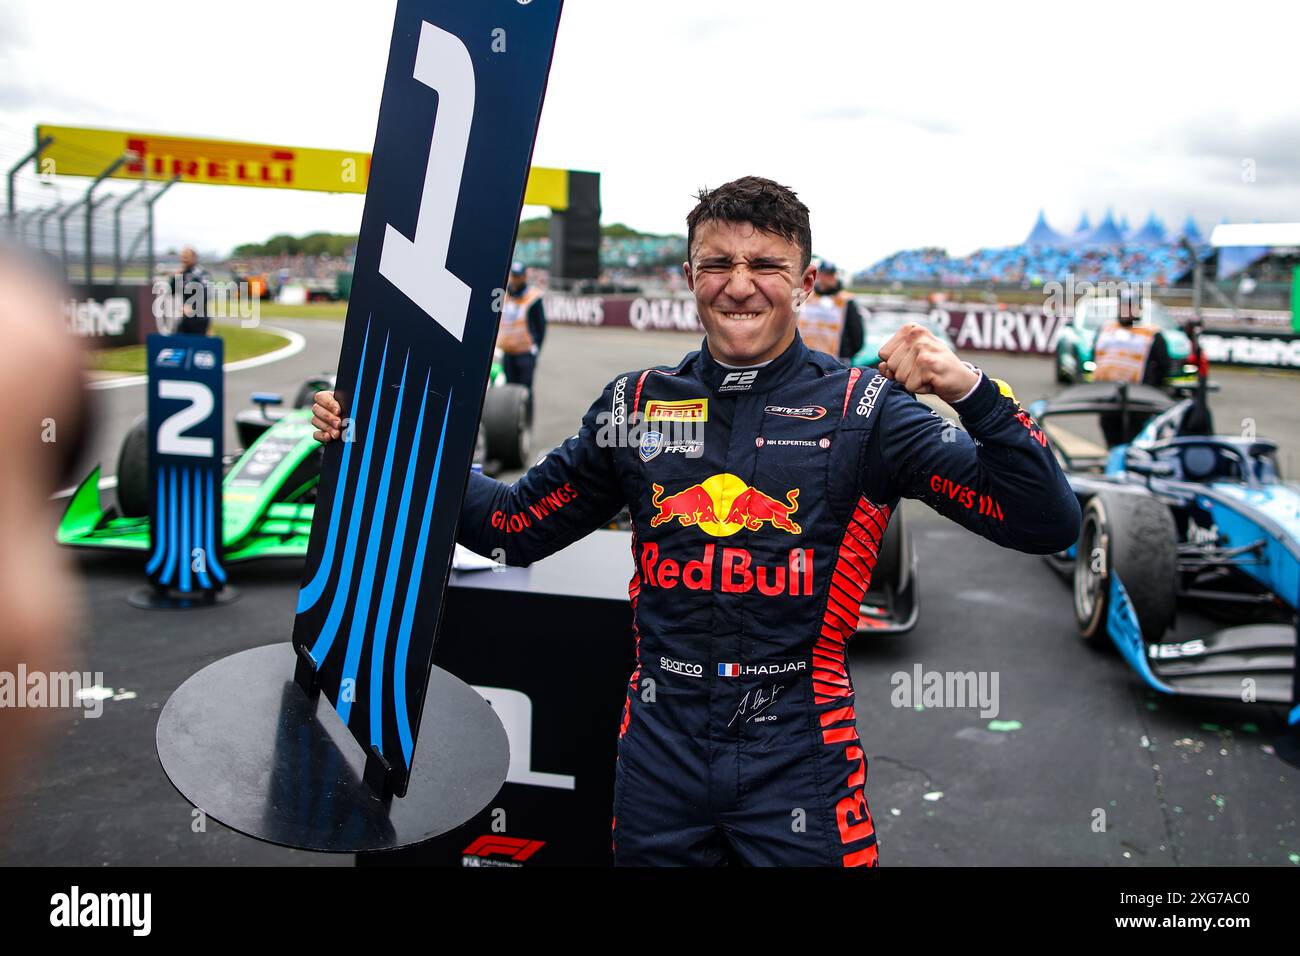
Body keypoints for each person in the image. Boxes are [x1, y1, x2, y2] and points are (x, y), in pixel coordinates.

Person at [311, 175, 1081, 866]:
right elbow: (512, 527)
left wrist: (972, 390)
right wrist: (381, 440)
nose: (739, 285)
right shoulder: (637, 403)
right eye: (717, 264)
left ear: (805, 282)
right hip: (662, 752)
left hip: (799, 750)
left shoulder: (866, 410)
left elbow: (1047, 520)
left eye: (766, 265)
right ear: (689, 277)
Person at [1092, 292, 1170, 446]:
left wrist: (1151, 387)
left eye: (1131, 306)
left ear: (1139, 308)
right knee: (1111, 434)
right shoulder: (1106, 329)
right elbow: (1094, 357)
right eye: (1123, 306)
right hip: (1108, 396)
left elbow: (1163, 365)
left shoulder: (1151, 333)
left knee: (1134, 438)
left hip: (1138, 399)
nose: (1126, 311)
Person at [797, 259, 863, 361]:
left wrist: (846, 354)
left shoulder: (846, 300)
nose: (827, 278)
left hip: (837, 360)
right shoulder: (806, 297)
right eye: (824, 274)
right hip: (806, 358)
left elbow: (857, 335)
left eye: (830, 275)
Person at [496, 261, 546, 391]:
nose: (515, 279)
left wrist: (536, 349)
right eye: (514, 275)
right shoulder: (502, 294)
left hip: (525, 353)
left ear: (524, 277)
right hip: (507, 352)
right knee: (508, 388)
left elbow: (541, 326)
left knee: (524, 390)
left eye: (518, 276)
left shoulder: (534, 297)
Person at [173, 246, 211, 336]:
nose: (184, 260)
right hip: (185, 317)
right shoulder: (182, 273)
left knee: (197, 343)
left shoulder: (201, 273)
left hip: (199, 318)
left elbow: (206, 294)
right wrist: (174, 278)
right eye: (182, 257)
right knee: (178, 341)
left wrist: (193, 307)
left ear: (194, 258)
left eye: (186, 257)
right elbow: (173, 291)